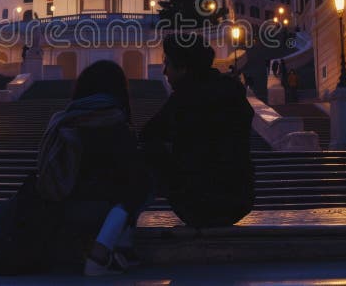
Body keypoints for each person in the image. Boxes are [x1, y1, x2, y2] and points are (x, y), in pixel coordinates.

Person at [37, 60, 148, 276]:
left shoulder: (61, 120)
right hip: (97, 210)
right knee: (143, 181)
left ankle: (113, 247)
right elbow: (133, 179)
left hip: (57, 207)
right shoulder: (114, 122)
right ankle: (103, 251)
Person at [142, 34, 254, 228]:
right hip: (240, 200)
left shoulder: (184, 98)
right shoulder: (232, 90)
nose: (164, 71)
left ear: (183, 68)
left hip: (194, 204)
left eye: (167, 64)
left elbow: (148, 134)